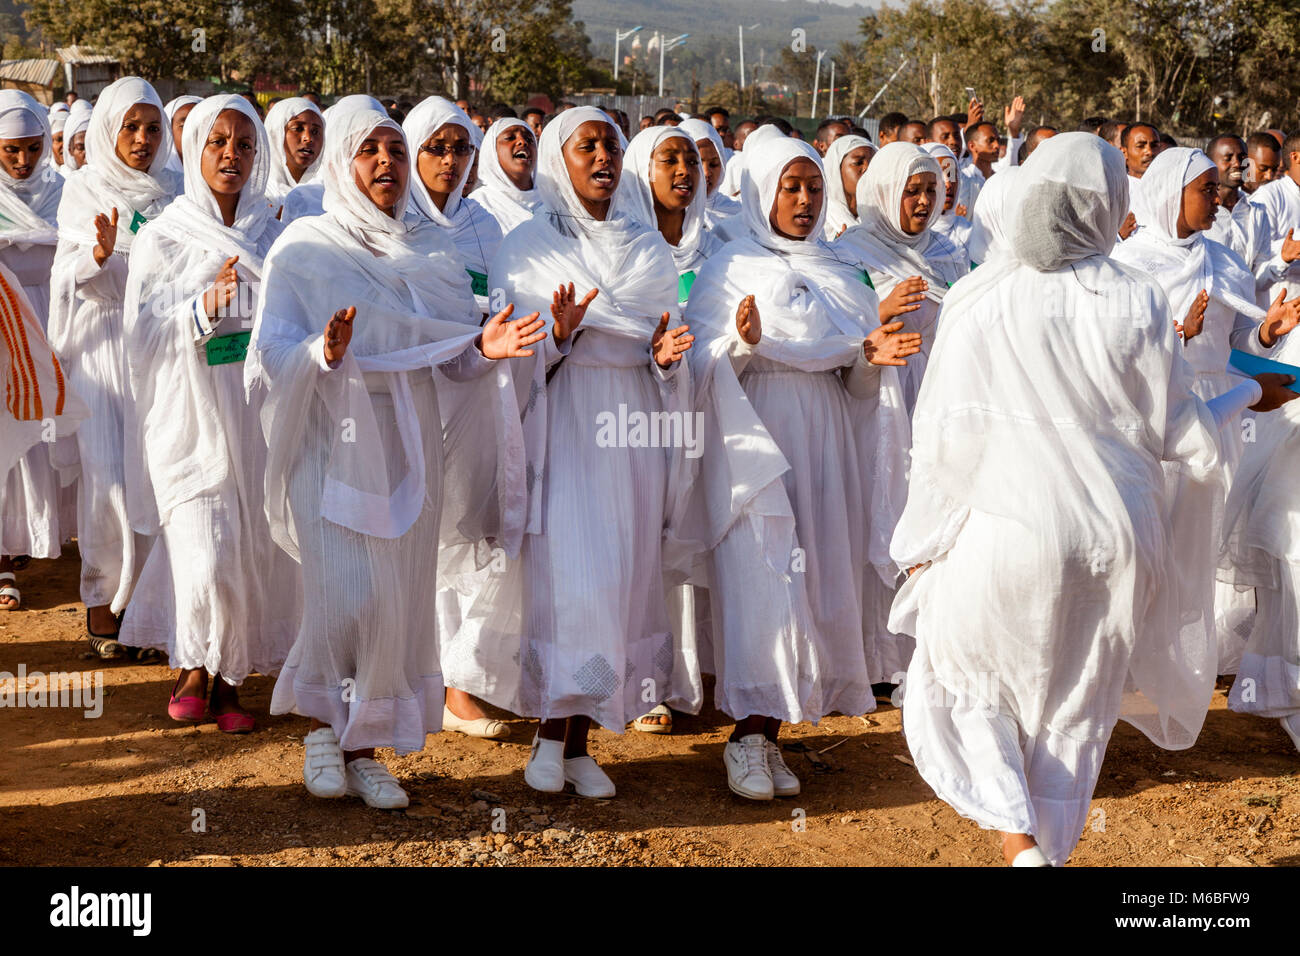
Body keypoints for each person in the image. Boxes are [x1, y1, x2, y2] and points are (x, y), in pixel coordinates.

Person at [890, 131, 1298, 866]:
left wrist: (921, 547)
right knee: (1073, 713)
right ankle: (1045, 847)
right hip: (1116, 543)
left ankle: (1018, 845)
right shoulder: (1137, 298)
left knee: (967, 683)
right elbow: (1180, 432)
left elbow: (944, 441)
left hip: (1008, 537)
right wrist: (1248, 391)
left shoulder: (981, 297)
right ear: (1112, 203)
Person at [249, 106, 543, 807]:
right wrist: (325, 354)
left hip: (407, 443)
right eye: (368, 151)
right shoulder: (303, 249)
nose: (386, 163)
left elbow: (447, 361)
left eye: (393, 151)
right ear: (341, 165)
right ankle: (323, 729)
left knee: (392, 602)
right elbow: (267, 354)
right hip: (329, 436)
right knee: (342, 592)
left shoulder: (432, 256)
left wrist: (482, 349)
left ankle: (364, 745)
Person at [683, 135, 917, 798]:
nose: (806, 201)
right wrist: (742, 342)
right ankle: (745, 737)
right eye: (791, 188)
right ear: (760, 192)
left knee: (812, 583)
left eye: (813, 188)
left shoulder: (843, 269)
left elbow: (858, 382)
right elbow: (700, 364)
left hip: (826, 442)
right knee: (765, 581)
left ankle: (770, 731)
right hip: (754, 437)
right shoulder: (729, 267)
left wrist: (870, 354)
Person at [482, 107, 695, 798]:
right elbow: (511, 361)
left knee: (621, 577)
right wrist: (557, 336)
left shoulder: (648, 246)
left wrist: (663, 360)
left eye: (612, 144)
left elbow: (665, 340)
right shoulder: (527, 247)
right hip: (565, 422)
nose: (603, 156)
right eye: (587, 146)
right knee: (570, 578)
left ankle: (581, 740)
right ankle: (549, 730)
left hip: (632, 425)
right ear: (557, 160)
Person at [118, 95, 303, 727]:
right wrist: (202, 309)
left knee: (250, 544)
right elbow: (139, 338)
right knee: (206, 546)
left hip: (253, 412)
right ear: (194, 147)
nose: (232, 155)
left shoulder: (274, 236)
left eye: (245, 144)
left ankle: (226, 682)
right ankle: (191, 666)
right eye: (218, 141)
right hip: (189, 413)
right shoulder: (164, 236)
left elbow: (291, 318)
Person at [1113, 146, 1300, 674]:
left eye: (1218, 189)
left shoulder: (1222, 259)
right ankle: (1136, 652)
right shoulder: (1131, 265)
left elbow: (1239, 339)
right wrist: (1178, 335)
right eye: (1206, 190)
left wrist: (1268, 329)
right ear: (1172, 194)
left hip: (1225, 405)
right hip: (1163, 407)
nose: (1218, 201)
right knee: (1159, 530)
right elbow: (1122, 350)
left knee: (1209, 532)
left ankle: (1197, 655)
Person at [48, 76, 181, 658]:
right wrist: (98, 254)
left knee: (155, 476)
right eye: (130, 127)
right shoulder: (84, 188)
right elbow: (66, 275)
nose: (143, 139)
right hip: (104, 348)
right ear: (107, 129)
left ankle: (147, 612)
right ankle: (102, 609)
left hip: (160, 349)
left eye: (152, 128)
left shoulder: (176, 191)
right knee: (107, 479)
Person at [0, 91, 69, 609]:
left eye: (31, 148)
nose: (23, 161)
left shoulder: (65, 192)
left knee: (44, 433)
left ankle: (32, 536)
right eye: (10, 151)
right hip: (3, 321)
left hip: (51, 322)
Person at [837, 142, 969, 412]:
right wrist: (884, 310)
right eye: (912, 191)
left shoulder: (947, 252)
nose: (925, 201)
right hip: (879, 397)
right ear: (885, 193)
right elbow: (839, 335)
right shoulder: (851, 252)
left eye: (931, 190)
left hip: (941, 392)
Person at [402, 97, 501, 315]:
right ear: (411, 149)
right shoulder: (393, 223)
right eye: (437, 148)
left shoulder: (483, 224)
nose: (450, 160)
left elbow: (500, 298)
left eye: (461, 148)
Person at [1203, 134, 1271, 278]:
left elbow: (1258, 276)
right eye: (1228, 158)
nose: (1237, 164)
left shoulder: (1257, 212)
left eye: (1242, 157)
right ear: (1210, 163)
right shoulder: (1198, 212)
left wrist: (1283, 259)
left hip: (1246, 298)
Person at [464, 115, 542, 236]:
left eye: (530, 140)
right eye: (510, 138)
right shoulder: (477, 206)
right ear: (492, 152)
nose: (523, 142)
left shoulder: (553, 200)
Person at [1246, 132, 1300, 306]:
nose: (1268, 175)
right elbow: (1256, 256)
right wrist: (1288, 250)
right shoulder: (1267, 196)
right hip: (1275, 309)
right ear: (1296, 156)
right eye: (1263, 169)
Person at [678, 117, 743, 241]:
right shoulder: (664, 216)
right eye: (695, 162)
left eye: (714, 164)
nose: (707, 173)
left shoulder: (737, 213)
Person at [263, 96, 324, 213]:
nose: (308, 138)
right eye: (298, 128)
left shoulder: (328, 194)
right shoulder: (255, 195)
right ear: (275, 134)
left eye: (316, 131)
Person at [921, 142, 971, 256]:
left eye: (952, 174)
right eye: (938, 175)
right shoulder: (908, 238)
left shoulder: (971, 235)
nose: (948, 184)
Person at [821, 132, 874, 239]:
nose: (868, 169)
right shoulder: (820, 220)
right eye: (858, 163)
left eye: (873, 163)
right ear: (836, 170)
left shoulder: (879, 218)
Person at [162, 95, 202, 176]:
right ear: (168, 131)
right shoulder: (158, 182)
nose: (194, 132)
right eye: (184, 125)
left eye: (201, 126)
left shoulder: (219, 180)